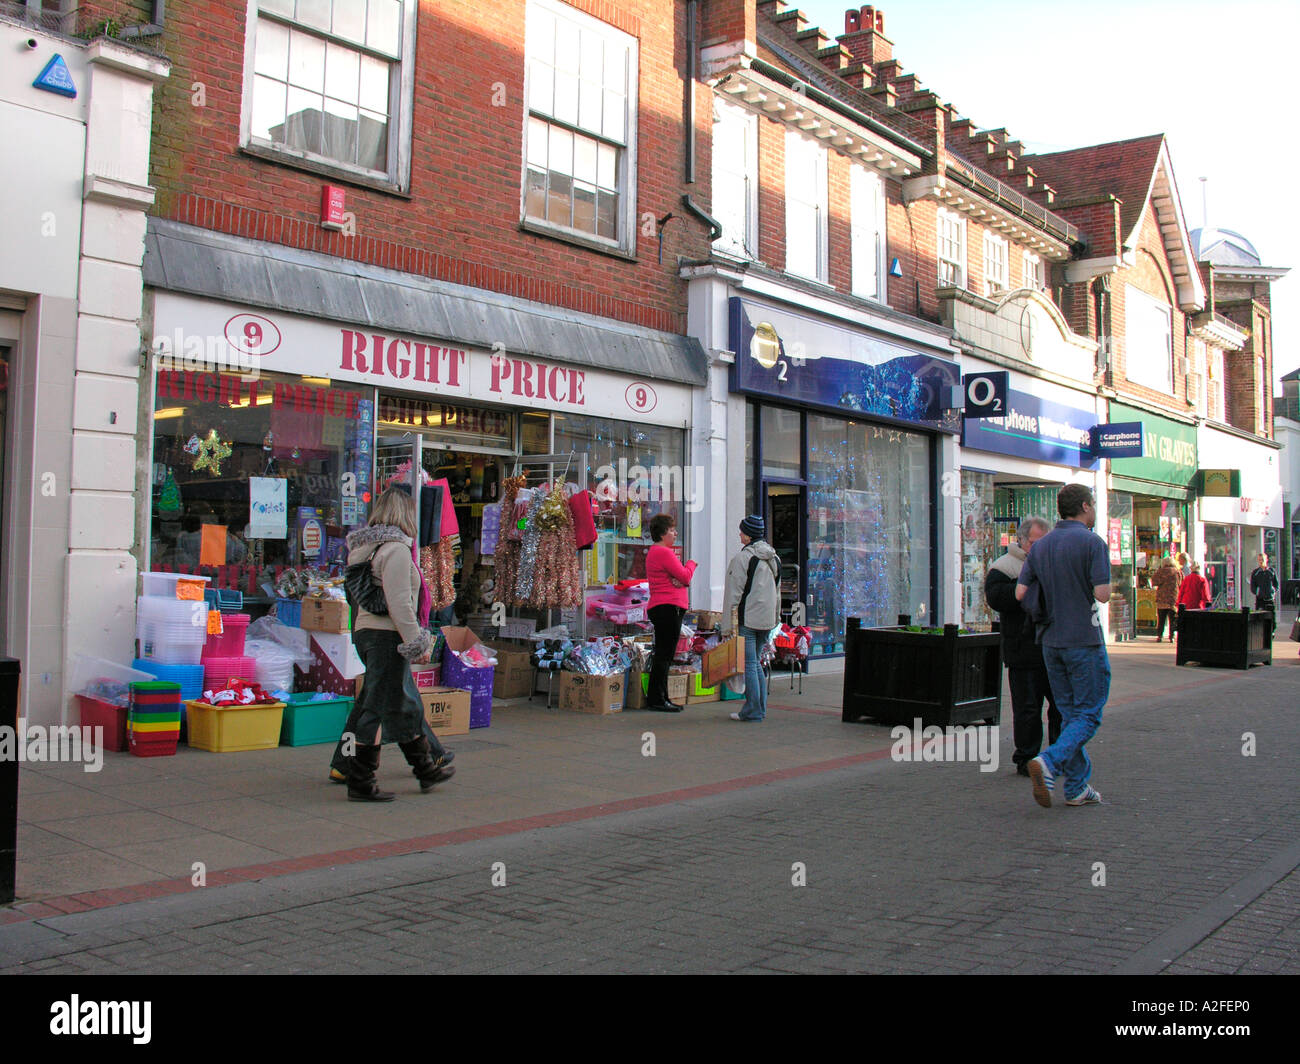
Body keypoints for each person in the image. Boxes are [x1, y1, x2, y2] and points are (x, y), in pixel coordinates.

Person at [333, 487, 454, 801]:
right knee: (375, 709)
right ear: (405, 514)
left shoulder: (365, 547)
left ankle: (425, 769)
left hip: (367, 633)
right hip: (388, 636)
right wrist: (417, 642)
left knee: (399, 704)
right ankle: (360, 780)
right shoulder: (396, 550)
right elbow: (400, 603)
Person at [1016, 485, 1110, 808]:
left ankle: (1076, 788)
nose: (1094, 509)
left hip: (1050, 642)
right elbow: (1102, 594)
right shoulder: (1093, 543)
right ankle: (1050, 761)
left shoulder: (1041, 547)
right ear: (1085, 506)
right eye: (1093, 504)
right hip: (1084, 639)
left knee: (1070, 713)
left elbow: (1020, 594)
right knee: (1089, 713)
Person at [984, 516, 1060, 776]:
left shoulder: (1054, 564)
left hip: (1053, 649)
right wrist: (1025, 587)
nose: (1040, 548)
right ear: (1023, 541)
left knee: (1060, 706)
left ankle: (1057, 756)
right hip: (1022, 651)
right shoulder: (1004, 567)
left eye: (1045, 542)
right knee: (1027, 709)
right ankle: (1027, 758)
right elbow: (995, 598)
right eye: (1035, 543)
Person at [721, 515, 780, 723]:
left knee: (750, 664)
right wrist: (776, 618)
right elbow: (778, 591)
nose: (739, 534)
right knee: (756, 663)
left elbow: (733, 594)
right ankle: (759, 708)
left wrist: (727, 625)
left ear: (748, 534)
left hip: (748, 619)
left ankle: (753, 710)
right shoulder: (774, 558)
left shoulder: (743, 558)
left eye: (742, 531)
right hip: (766, 620)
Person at [644, 513, 697, 712]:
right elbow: (685, 577)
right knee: (664, 655)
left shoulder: (656, 552)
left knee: (663, 654)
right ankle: (657, 699)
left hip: (663, 606)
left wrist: (680, 579)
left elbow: (680, 579)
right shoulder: (664, 553)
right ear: (664, 532)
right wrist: (691, 564)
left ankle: (661, 696)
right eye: (672, 530)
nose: (675, 533)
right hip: (668, 608)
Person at [1249, 553, 1279, 642]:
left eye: (1262, 559)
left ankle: (1271, 631)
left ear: (1266, 560)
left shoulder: (1271, 571)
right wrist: (1258, 592)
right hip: (1260, 600)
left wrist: (1273, 591)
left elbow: (1276, 584)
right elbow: (1252, 587)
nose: (1261, 561)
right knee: (1259, 616)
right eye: (1259, 560)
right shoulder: (1255, 572)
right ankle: (1260, 634)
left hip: (1270, 599)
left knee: (1272, 616)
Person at [1151, 556, 1182, 642]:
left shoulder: (1161, 571)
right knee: (1172, 619)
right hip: (1173, 598)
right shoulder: (1177, 572)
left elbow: (1154, 581)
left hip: (1162, 598)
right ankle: (1171, 636)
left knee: (1161, 619)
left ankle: (1159, 636)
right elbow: (1181, 583)